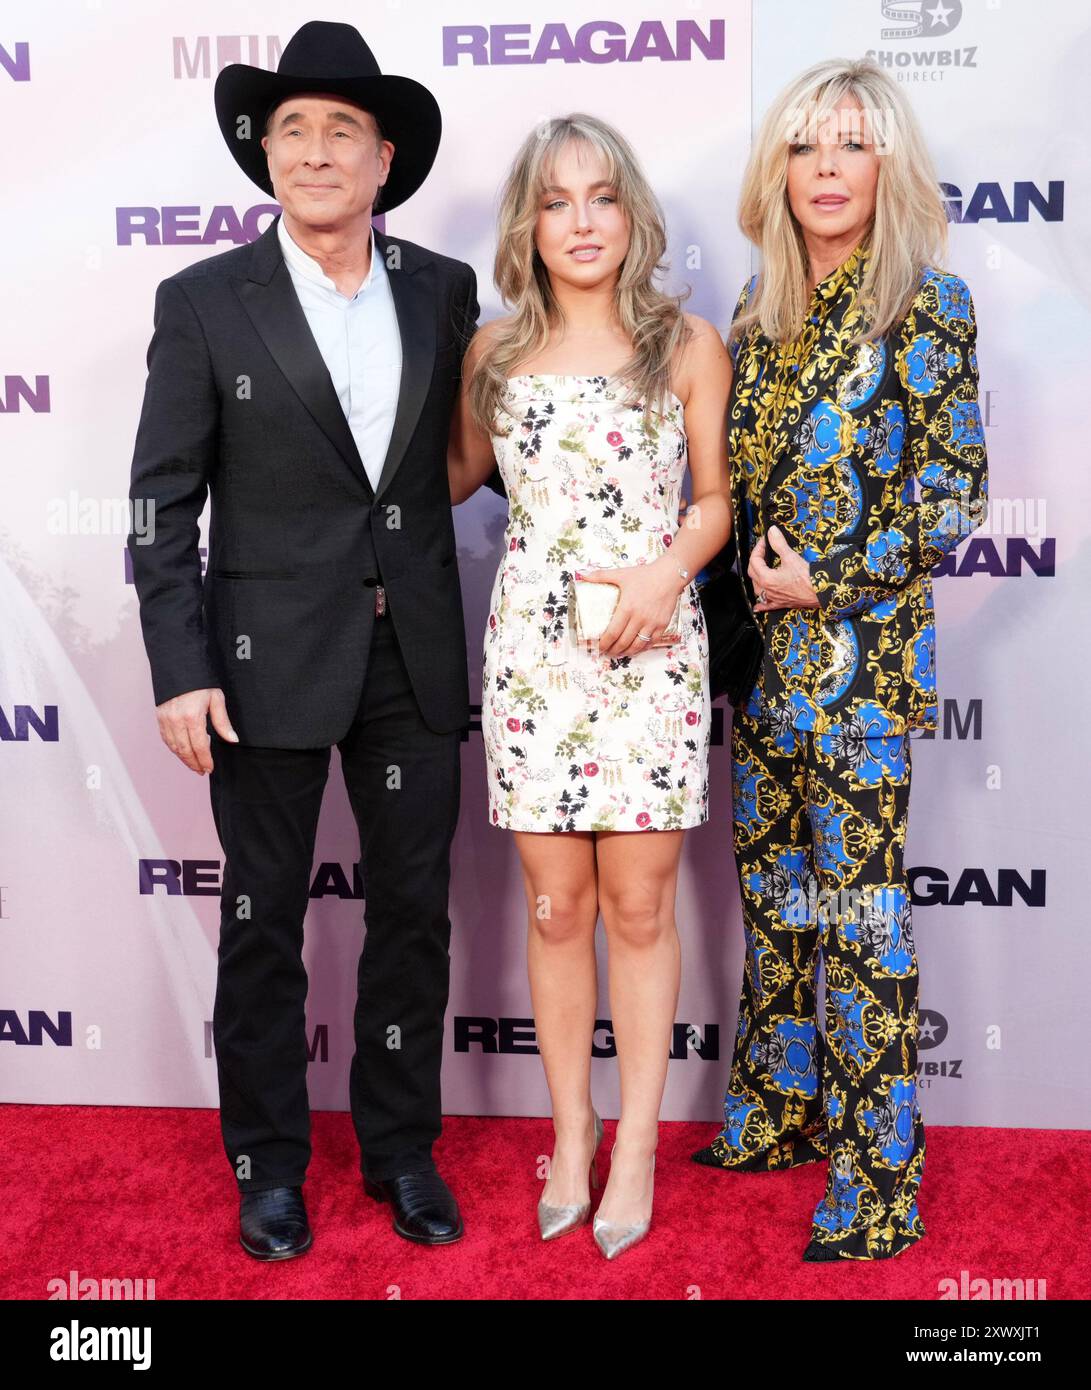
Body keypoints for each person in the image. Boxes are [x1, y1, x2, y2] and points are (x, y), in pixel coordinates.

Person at [126, 21, 480, 1259]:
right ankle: (267, 1164)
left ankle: (400, 1150)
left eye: (342, 130)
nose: (315, 151)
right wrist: (180, 668)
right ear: (262, 152)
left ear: (384, 160)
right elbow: (160, 500)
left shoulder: (445, 288)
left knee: (413, 918)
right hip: (262, 662)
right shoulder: (203, 302)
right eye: (292, 129)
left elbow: (463, 462)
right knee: (262, 920)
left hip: (415, 657)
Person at [690, 57, 988, 1261]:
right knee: (774, 903)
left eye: (850, 146)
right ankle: (773, 1113)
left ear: (884, 166)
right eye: (807, 145)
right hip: (761, 672)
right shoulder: (752, 320)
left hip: (858, 671)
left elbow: (958, 491)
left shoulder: (927, 303)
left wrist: (838, 576)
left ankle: (877, 1186)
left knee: (860, 920)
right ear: (780, 167)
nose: (825, 167)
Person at [448, 114, 734, 1259]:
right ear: (527, 220)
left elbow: (712, 501)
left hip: (655, 649)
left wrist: (668, 571)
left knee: (640, 908)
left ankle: (637, 1145)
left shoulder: (685, 343)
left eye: (601, 197)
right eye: (556, 200)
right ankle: (567, 1136)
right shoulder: (492, 354)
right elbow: (446, 481)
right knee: (556, 907)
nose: (580, 221)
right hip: (534, 659)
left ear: (631, 216)